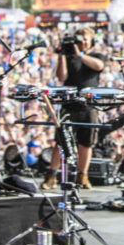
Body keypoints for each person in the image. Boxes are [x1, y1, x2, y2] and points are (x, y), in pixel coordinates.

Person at [44, 27, 106, 189]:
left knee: (86, 143)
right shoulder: (70, 57)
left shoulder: (96, 55)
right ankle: (52, 175)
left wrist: (80, 55)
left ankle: (82, 175)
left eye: (87, 39)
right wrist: (62, 56)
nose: (84, 42)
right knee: (61, 141)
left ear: (91, 40)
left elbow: (98, 66)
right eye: (81, 38)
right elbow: (61, 77)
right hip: (69, 104)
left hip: (88, 105)